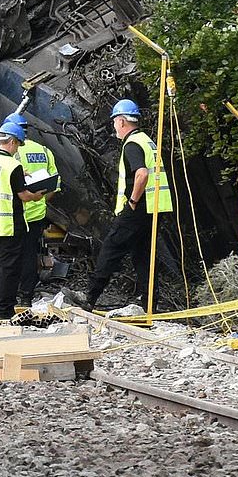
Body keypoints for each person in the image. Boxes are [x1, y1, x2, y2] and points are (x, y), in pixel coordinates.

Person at [70, 99, 172, 319]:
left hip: (138, 208)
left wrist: (132, 201)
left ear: (122, 121)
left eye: (115, 121)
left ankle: (90, 297)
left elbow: (142, 174)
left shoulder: (133, 144)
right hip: (154, 208)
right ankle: (149, 305)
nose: (114, 126)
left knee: (111, 248)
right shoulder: (147, 141)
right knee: (143, 256)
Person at [0, 119, 47, 322]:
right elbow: (23, 195)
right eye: (18, 145)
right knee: (8, 268)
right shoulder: (12, 165)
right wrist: (37, 195)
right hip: (9, 223)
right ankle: (5, 311)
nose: (17, 150)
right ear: (12, 142)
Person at [2, 113, 61, 315]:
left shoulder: (11, 152)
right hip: (37, 214)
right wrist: (41, 199)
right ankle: (27, 295)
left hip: (15, 213)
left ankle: (11, 293)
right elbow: (55, 183)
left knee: (10, 255)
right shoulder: (44, 151)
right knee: (29, 255)